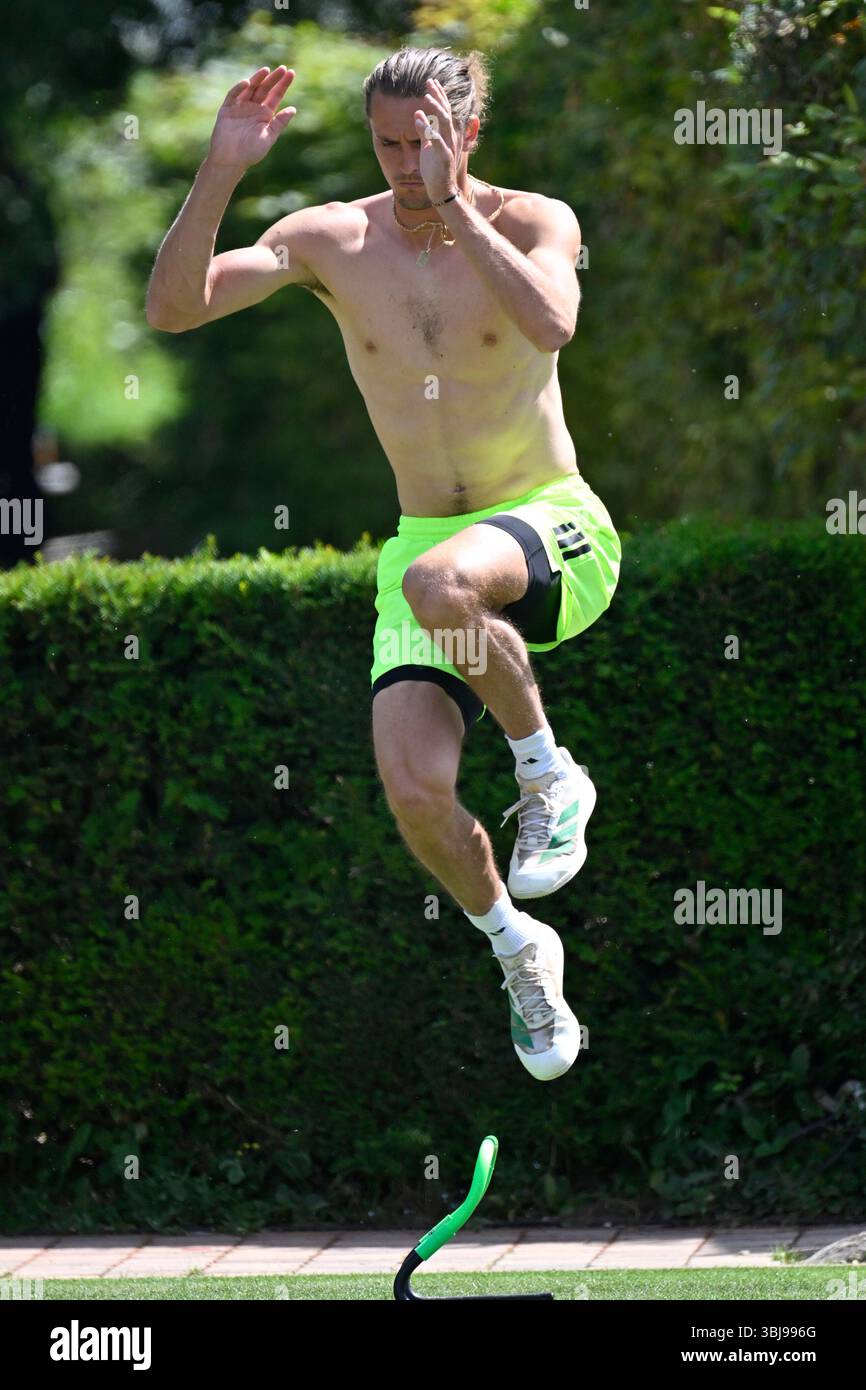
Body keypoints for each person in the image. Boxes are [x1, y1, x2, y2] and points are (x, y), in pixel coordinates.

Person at [145, 47, 621, 1082]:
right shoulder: (332, 238)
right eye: (390, 144)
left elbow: (551, 322)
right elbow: (174, 310)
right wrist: (222, 170)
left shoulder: (536, 219)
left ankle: (549, 773)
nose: (407, 163)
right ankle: (517, 948)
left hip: (549, 519)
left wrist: (460, 210)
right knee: (412, 788)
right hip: (423, 543)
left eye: (427, 143)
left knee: (438, 584)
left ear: (467, 136)